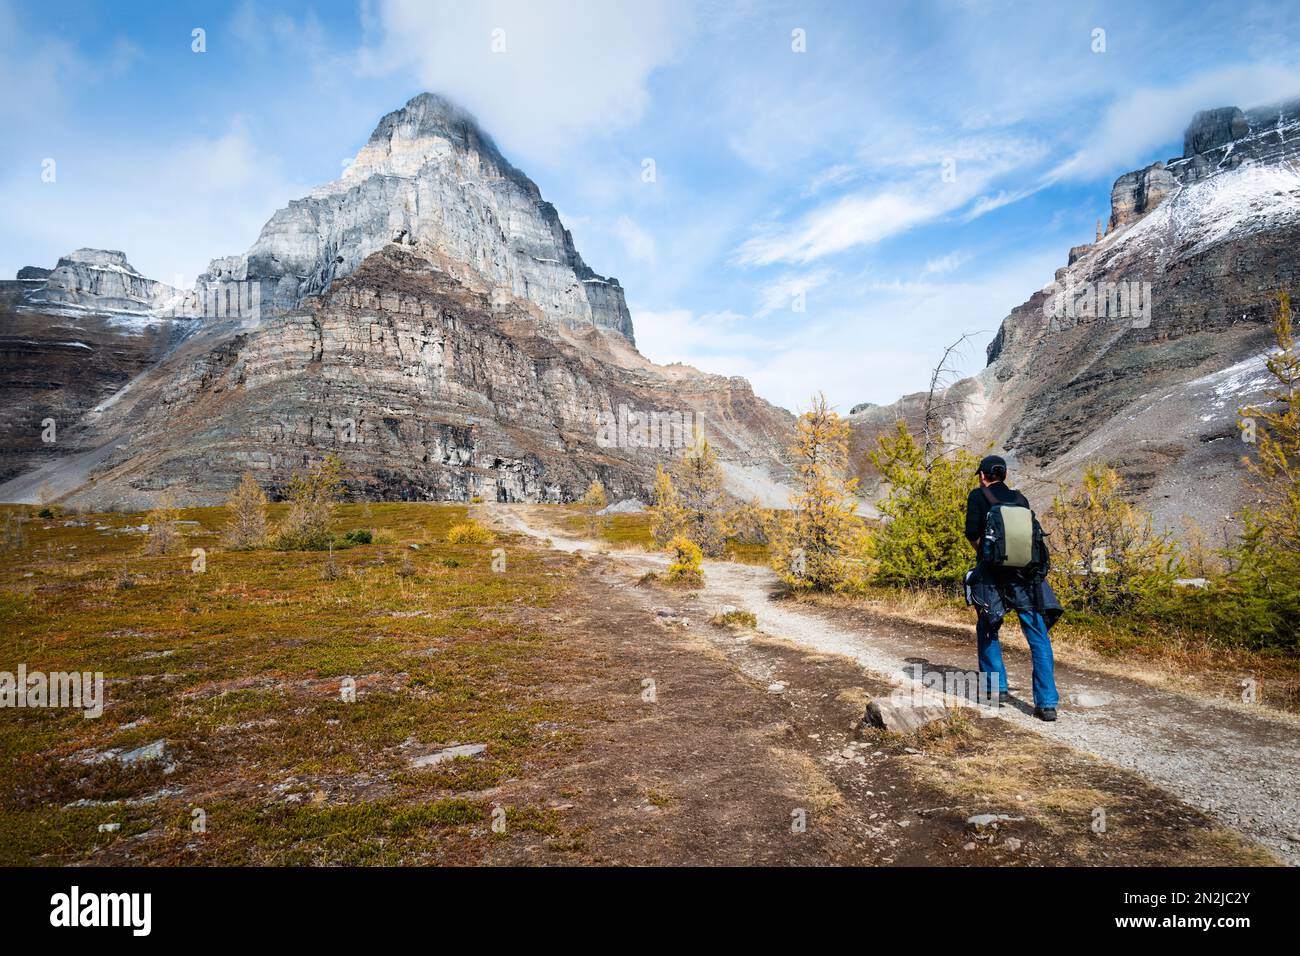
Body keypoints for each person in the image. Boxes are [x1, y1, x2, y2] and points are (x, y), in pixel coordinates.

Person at [964, 455, 1061, 721]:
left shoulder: (977, 495)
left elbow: (971, 532)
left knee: (988, 627)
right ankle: (1047, 703)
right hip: (1026, 578)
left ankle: (997, 689)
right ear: (1004, 475)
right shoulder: (1021, 499)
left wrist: (985, 555)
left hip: (992, 576)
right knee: (1038, 636)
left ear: (983, 476)